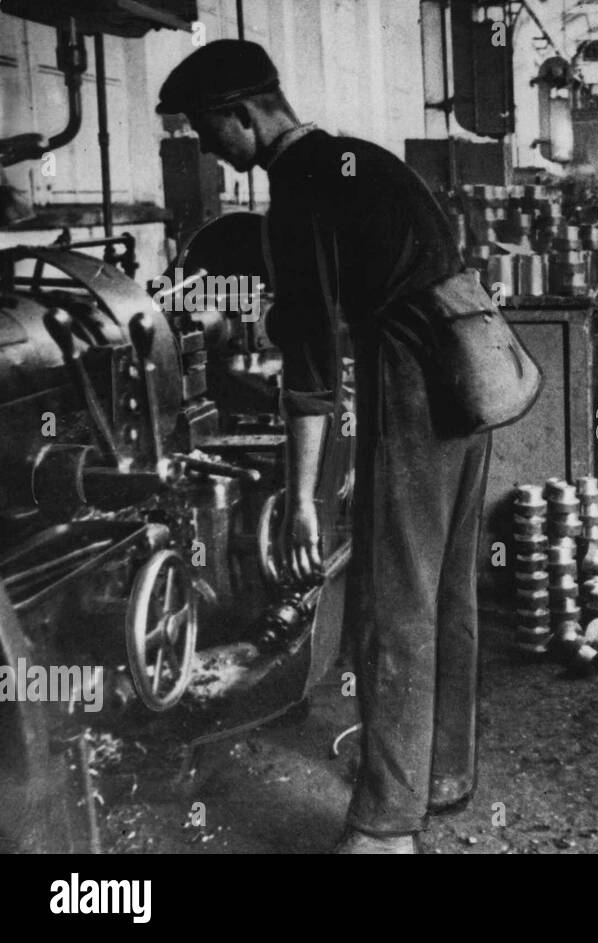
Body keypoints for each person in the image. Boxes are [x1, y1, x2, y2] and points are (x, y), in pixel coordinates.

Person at [157, 40, 488, 854]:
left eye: (208, 131)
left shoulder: (299, 191)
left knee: (390, 606)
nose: (209, 151)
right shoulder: (362, 160)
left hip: (412, 383)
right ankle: (441, 771)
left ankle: (385, 827)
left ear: (245, 114)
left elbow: (309, 374)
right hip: (472, 370)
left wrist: (302, 500)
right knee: (448, 588)